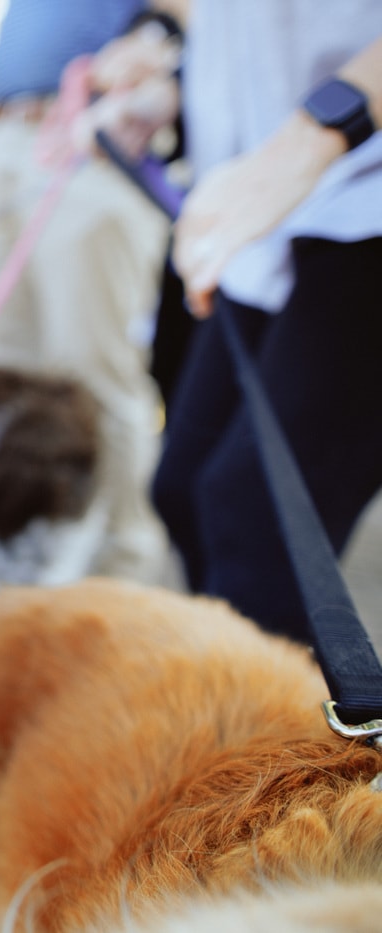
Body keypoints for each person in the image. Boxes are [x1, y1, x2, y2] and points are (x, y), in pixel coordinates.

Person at [142, 4, 382, 643]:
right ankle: (241, 701)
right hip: (265, 216)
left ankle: (267, 732)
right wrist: (160, 64)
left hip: (360, 204)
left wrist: (309, 137)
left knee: (256, 522)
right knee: (183, 488)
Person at [0, 0, 174, 584]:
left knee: (93, 370)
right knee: (0, 371)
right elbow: (1, 50)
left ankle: (121, 570)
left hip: (95, 140)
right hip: (6, 136)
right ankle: (4, 559)